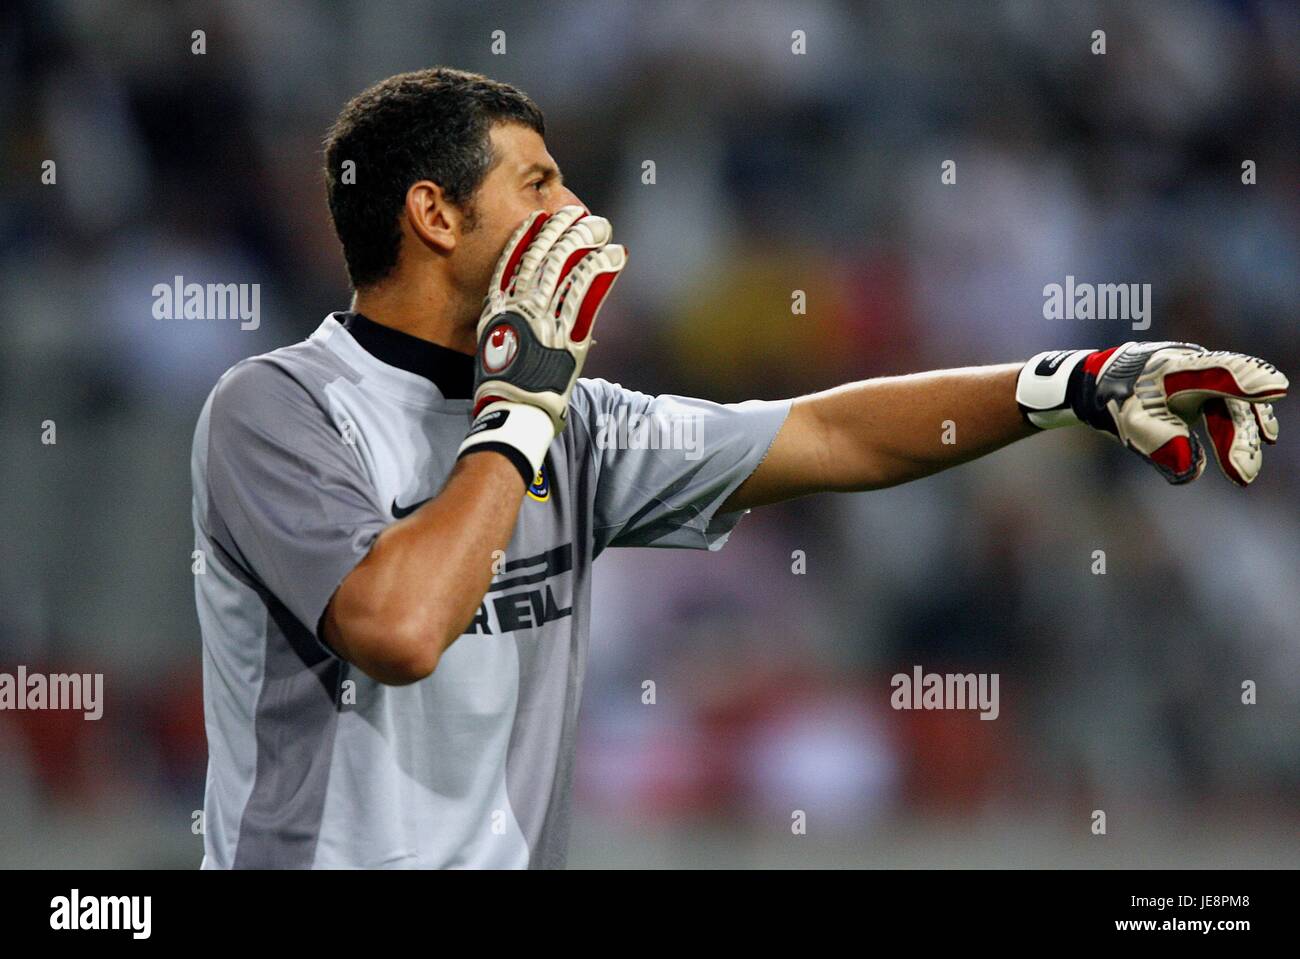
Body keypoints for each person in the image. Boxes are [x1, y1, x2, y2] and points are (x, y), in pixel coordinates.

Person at [191, 67, 1287, 868]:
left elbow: (827, 434)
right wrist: (521, 408)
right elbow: (397, 629)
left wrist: (1072, 384)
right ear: (433, 213)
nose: (573, 216)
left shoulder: (576, 423)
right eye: (536, 185)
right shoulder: (276, 409)